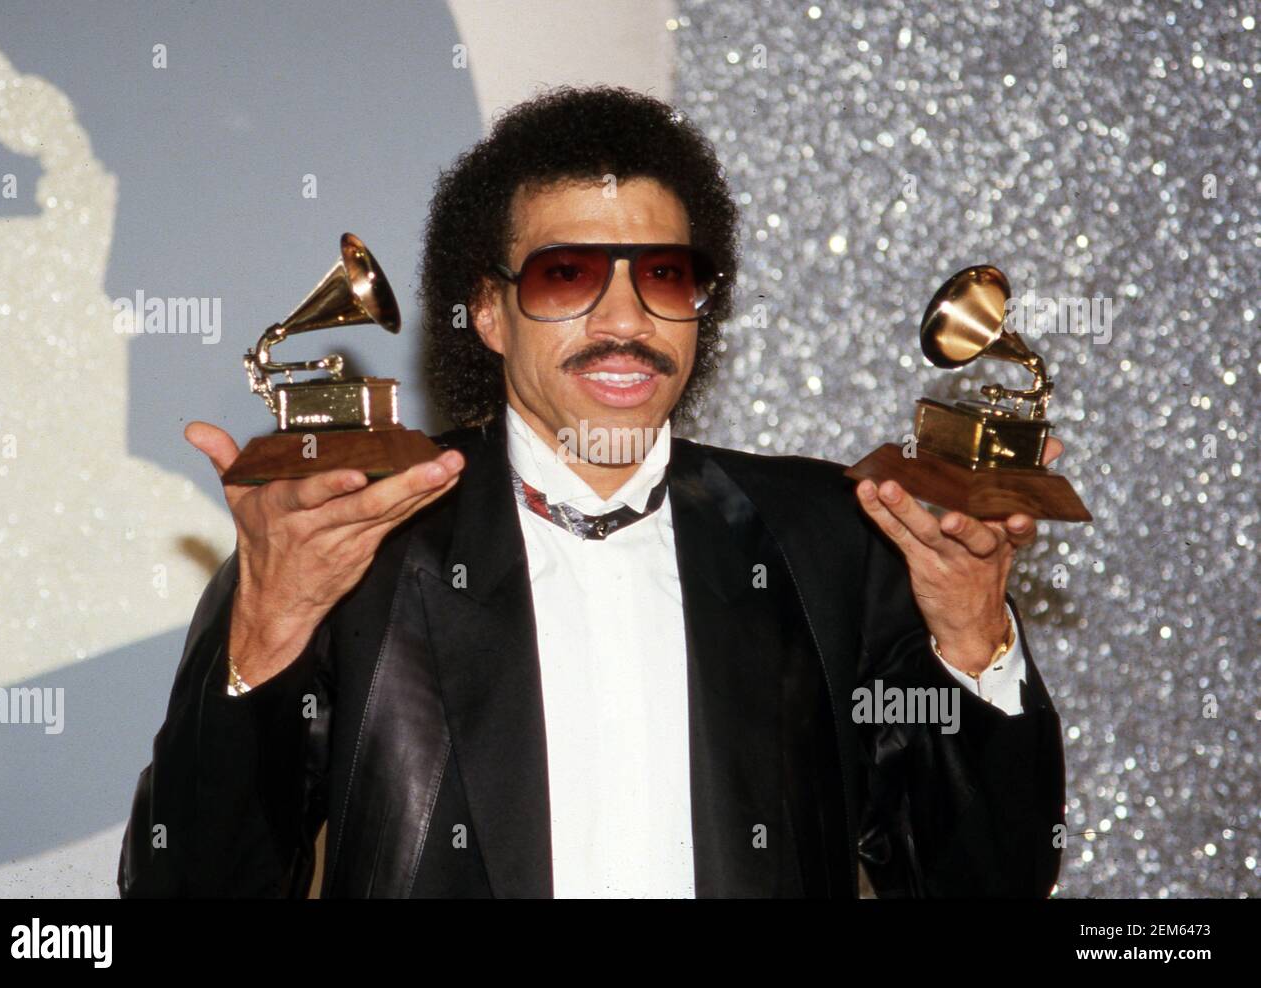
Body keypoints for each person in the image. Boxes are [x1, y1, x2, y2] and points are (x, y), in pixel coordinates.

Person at [118, 86, 1065, 898]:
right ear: (487, 311)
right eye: (567, 274)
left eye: (665, 274)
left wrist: (974, 645)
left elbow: (988, 880)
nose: (626, 317)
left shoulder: (838, 537)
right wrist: (266, 636)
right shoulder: (352, 539)